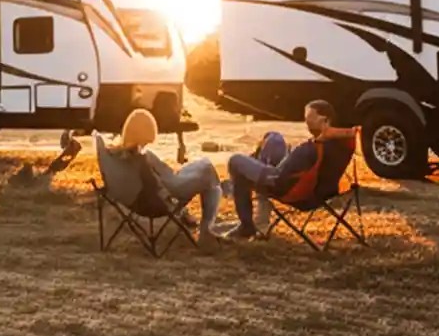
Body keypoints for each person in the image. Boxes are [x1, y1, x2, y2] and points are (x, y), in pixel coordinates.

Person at [219, 99, 357, 240]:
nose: (306, 121)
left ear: (325, 119)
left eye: (309, 116)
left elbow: (284, 174)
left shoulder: (316, 147)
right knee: (273, 138)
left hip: (285, 185)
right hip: (298, 180)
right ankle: (259, 220)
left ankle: (247, 226)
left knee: (235, 161)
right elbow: (353, 133)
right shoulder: (337, 144)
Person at [105, 108, 223, 247]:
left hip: (171, 179)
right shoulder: (141, 158)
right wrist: (174, 205)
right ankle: (206, 229)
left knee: (206, 168)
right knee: (210, 176)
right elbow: (156, 186)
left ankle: (207, 228)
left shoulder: (124, 153)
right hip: (174, 186)